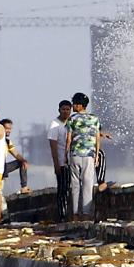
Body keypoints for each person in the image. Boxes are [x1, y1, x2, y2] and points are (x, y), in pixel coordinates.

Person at [64, 92, 100, 221]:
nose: (73, 106)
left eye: (74, 103)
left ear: (79, 105)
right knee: (87, 184)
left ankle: (74, 215)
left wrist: (65, 155)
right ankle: (85, 214)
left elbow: (68, 138)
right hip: (89, 155)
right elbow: (97, 138)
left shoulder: (72, 119)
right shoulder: (94, 118)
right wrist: (96, 155)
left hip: (75, 154)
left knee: (75, 185)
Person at [47, 99, 72, 221]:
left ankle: (70, 213)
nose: (66, 112)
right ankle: (62, 215)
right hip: (61, 162)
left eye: (68, 109)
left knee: (69, 188)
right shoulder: (55, 124)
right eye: (64, 109)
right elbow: (53, 146)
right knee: (62, 189)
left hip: (71, 161)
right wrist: (56, 164)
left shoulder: (71, 123)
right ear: (59, 110)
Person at [0, 119, 30, 194]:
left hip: (4, 167)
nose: (8, 131)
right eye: (6, 128)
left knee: (21, 162)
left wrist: (24, 161)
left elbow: (16, 154)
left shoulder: (7, 142)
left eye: (10, 129)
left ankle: (24, 187)